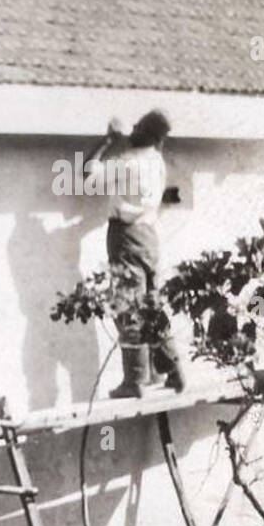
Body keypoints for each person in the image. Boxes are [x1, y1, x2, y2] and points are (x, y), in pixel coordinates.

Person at [84, 109, 185, 398]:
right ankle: (174, 370)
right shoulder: (157, 161)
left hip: (126, 237)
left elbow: (87, 172)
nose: (133, 130)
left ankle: (135, 380)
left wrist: (107, 140)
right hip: (149, 237)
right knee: (151, 305)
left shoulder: (126, 162)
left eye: (137, 126)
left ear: (143, 132)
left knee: (128, 305)